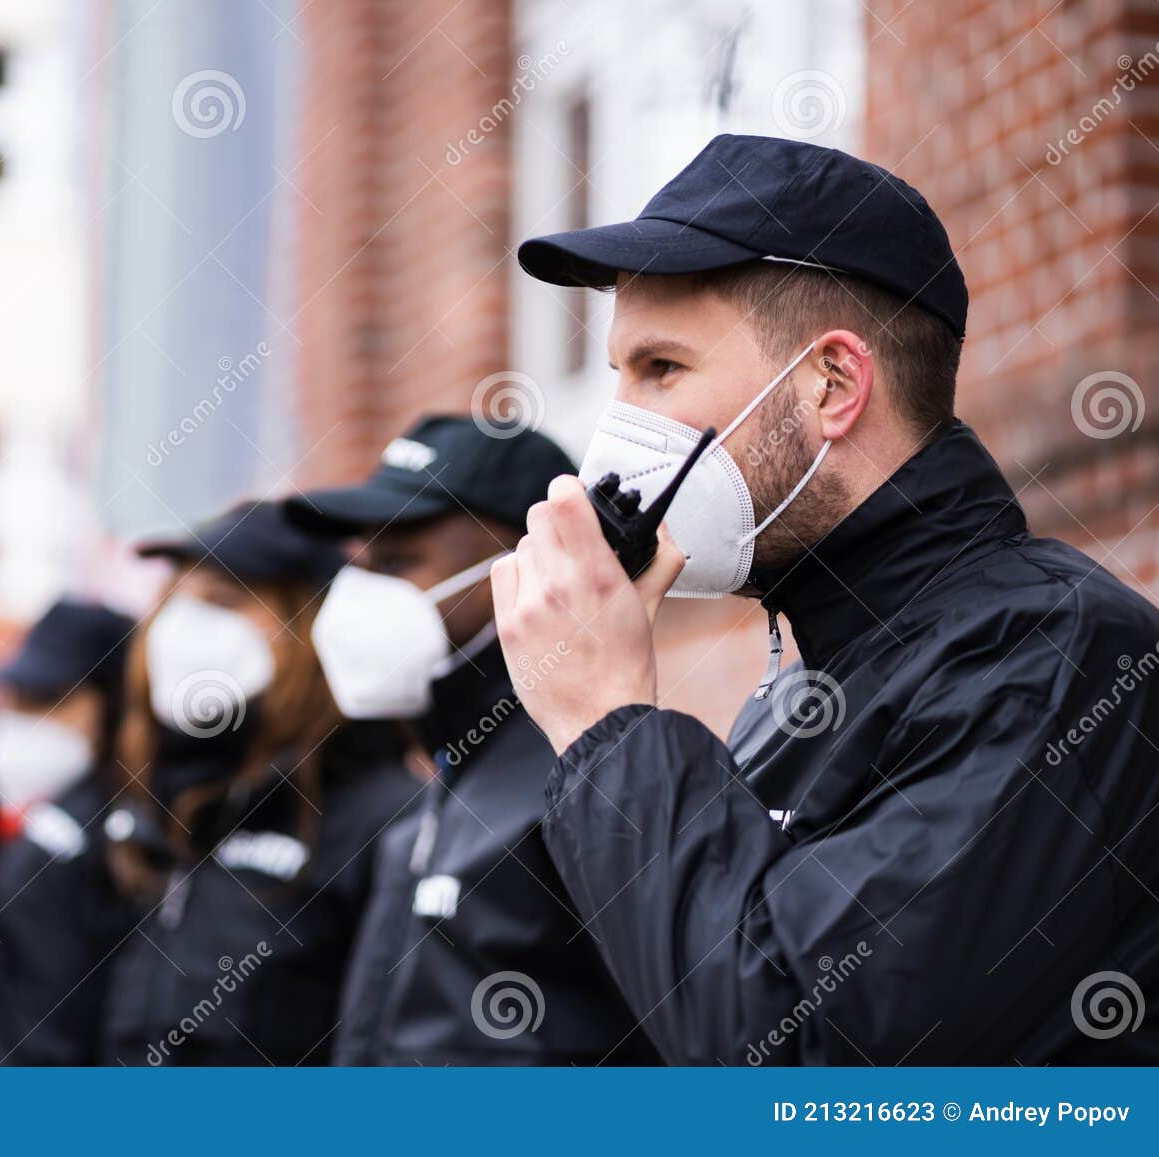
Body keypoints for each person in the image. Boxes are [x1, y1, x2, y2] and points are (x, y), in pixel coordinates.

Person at [497, 133, 1159, 1063]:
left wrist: (608, 720)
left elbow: (805, 1055)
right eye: (619, 376)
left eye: (663, 369)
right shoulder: (798, 693)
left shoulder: (1052, 654)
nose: (619, 430)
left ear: (833, 384)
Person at [285, 415, 658, 1065]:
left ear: (529, 561)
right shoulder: (449, 782)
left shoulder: (595, 787)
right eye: (361, 562)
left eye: (399, 559)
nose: (365, 592)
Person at [98, 500, 417, 1066]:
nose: (184, 628)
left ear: (311, 624)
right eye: (176, 599)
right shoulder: (161, 802)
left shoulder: (383, 818)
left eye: (223, 601)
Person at [0, 598, 137, 1065]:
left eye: (46, 700)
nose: (15, 720)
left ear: (110, 710)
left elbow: (47, 1041)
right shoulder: (9, 831)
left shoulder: (91, 845)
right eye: (11, 699)